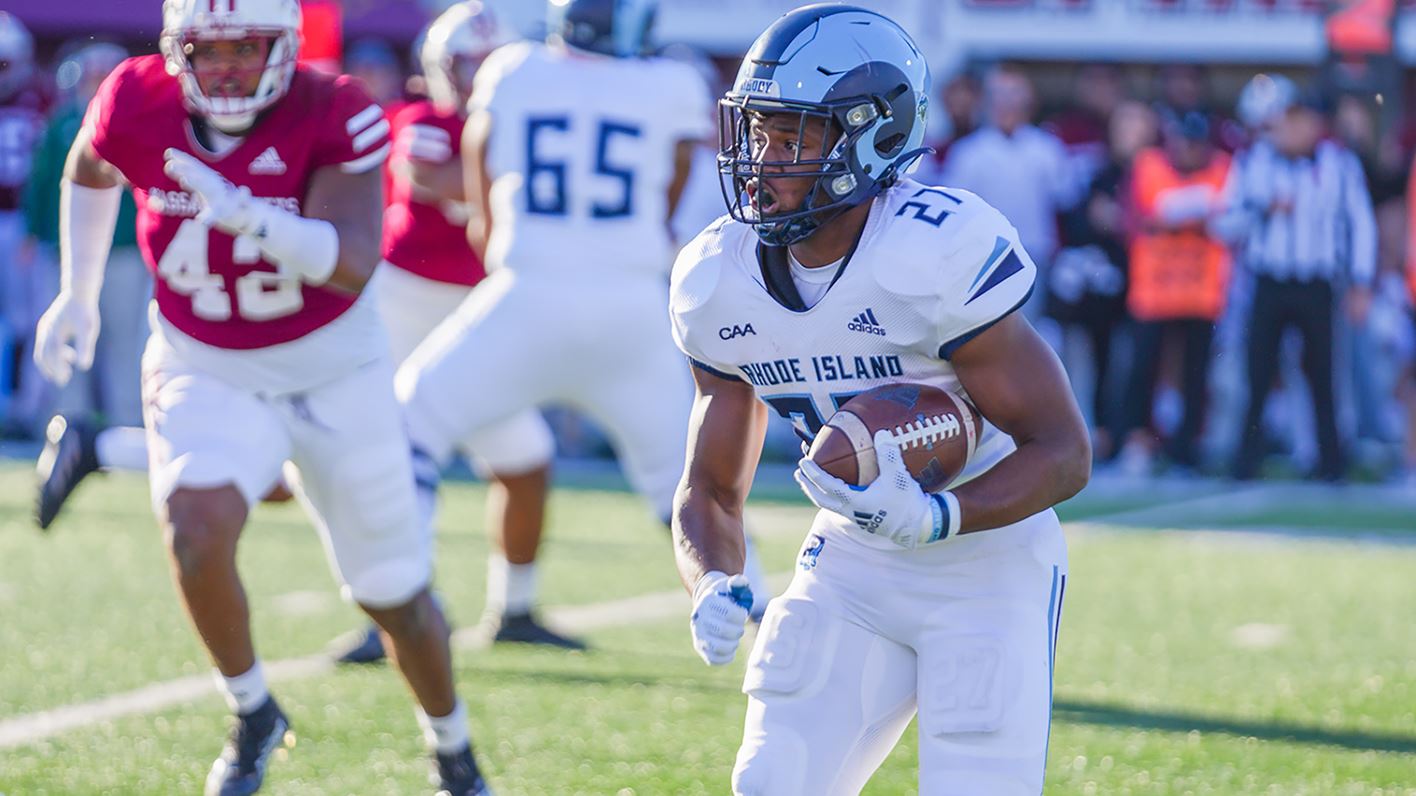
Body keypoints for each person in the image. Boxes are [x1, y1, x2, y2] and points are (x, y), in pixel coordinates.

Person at [30, 1, 492, 793]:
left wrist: (252, 217)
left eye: (249, 47)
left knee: (393, 593)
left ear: (285, 47)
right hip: (204, 358)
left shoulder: (335, 107)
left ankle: (452, 748)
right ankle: (252, 711)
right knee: (194, 528)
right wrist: (76, 289)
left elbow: (352, 264)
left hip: (332, 369)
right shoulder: (137, 97)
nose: (229, 68)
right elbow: (90, 165)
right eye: (209, 51)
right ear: (179, 52)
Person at [669, 6, 1090, 794]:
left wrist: (941, 516)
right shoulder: (716, 278)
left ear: (870, 137)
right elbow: (710, 488)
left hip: (985, 563)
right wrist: (711, 582)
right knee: (771, 784)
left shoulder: (930, 251)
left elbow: (1065, 452)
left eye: (793, 136)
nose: (763, 159)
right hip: (853, 560)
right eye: (757, 132)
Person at [394, 0, 768, 626]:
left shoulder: (516, 70)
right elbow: (669, 189)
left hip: (527, 292)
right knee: (690, 485)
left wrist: (494, 238)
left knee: (409, 422)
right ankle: (761, 614)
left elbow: (483, 169)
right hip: (630, 306)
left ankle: (398, 592)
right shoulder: (671, 84)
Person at [329, 0, 580, 665]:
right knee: (398, 461)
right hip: (407, 308)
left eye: (493, 64)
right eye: (471, 64)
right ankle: (388, 614)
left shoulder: (528, 128)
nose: (480, 78)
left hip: (478, 312)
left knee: (526, 463)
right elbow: (435, 177)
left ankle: (515, 608)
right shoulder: (424, 120)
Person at [1217, 90, 1376, 482]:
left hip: (1317, 283)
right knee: (1258, 374)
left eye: (1301, 120)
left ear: (1316, 125)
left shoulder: (1339, 165)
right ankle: (1247, 460)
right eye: (1287, 120)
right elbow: (1223, 224)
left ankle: (1331, 463)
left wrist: (1360, 282)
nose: (1293, 129)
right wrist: (1263, 208)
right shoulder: (1253, 162)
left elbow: (1361, 224)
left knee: (1324, 375)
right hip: (1269, 281)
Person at [23, 43, 150, 433]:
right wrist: (35, 235)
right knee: (65, 335)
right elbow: (43, 182)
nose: (96, 80)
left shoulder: (139, 121)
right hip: (68, 251)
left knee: (125, 342)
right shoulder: (63, 122)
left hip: (126, 249)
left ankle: (127, 423)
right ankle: (67, 421)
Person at [1112, 110, 1231, 475]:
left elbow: (1228, 219)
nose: (1188, 150)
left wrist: (1185, 210)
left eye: (1195, 143)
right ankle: (1135, 442)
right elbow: (1150, 211)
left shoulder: (1223, 168)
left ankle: (1186, 449)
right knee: (1140, 373)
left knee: (1196, 377)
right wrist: (1198, 207)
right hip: (1154, 292)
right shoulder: (1149, 165)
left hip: (1201, 293)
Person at [940, 64, 1078, 320]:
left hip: (1034, 256)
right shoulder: (968, 153)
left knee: (1031, 329)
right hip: (982, 261)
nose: (1007, 103)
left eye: (1015, 95)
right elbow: (953, 211)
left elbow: (1066, 198)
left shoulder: (1047, 148)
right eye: (1000, 95)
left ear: (1029, 101)